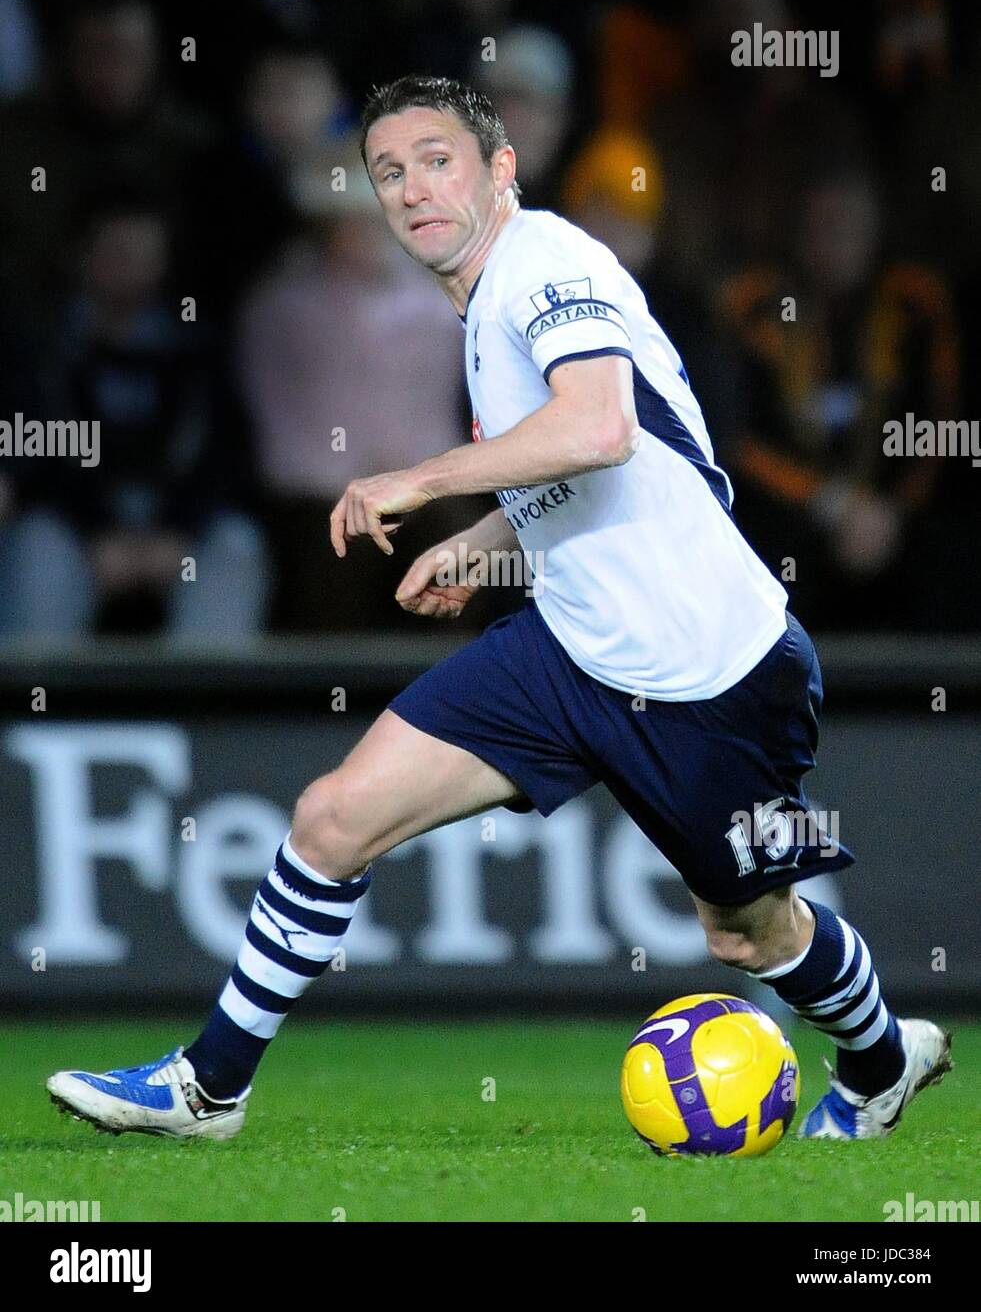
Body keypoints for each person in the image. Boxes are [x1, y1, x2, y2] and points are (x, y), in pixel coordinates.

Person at [47, 77, 952, 1143]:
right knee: (335, 818)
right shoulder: (486, 303)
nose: (412, 188)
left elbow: (602, 426)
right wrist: (490, 543)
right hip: (569, 650)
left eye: (437, 159)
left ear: (500, 169)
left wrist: (419, 484)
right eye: (389, 171)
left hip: (710, 670)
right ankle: (210, 1088)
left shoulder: (547, 263)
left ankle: (883, 1059)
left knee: (749, 934)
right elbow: (609, 461)